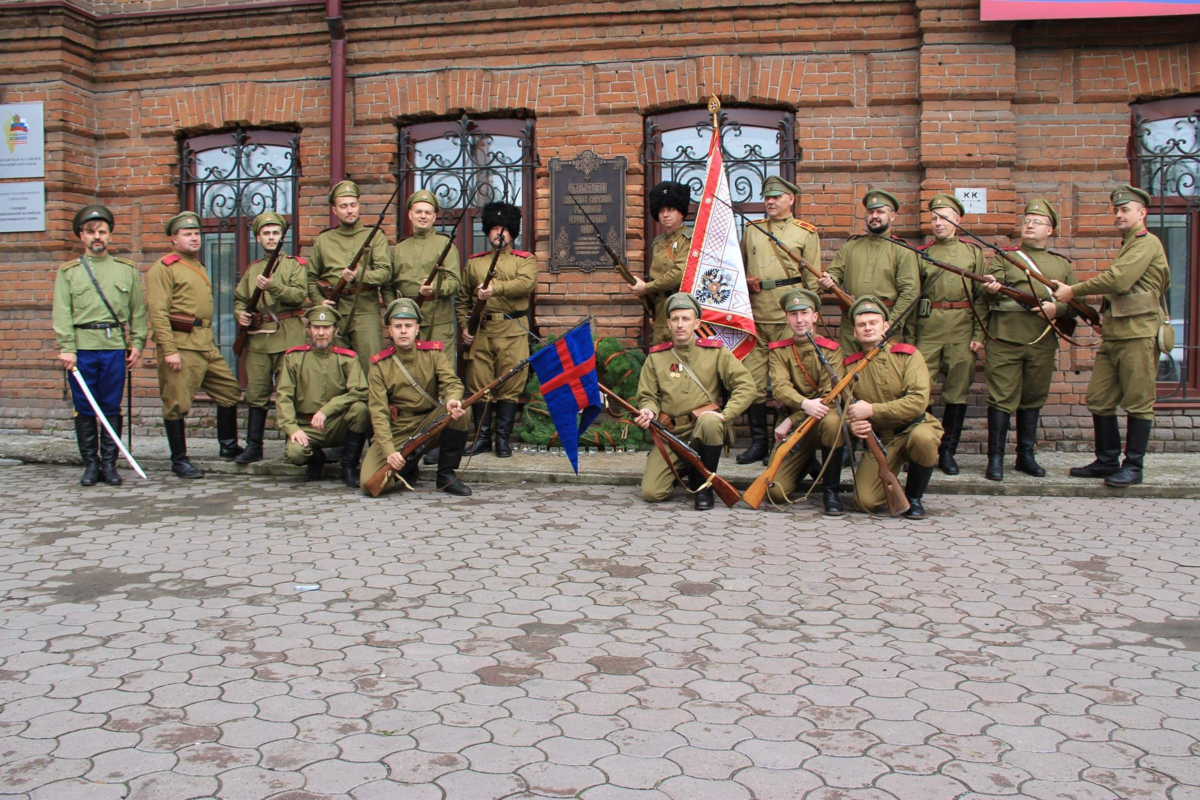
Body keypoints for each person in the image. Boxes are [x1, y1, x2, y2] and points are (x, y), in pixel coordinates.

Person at [1054, 184, 1171, 487]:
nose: (1118, 215)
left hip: (1138, 334)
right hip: (1116, 333)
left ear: (1142, 213)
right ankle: (1107, 460)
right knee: (1099, 399)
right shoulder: (1129, 244)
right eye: (1116, 210)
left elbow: (1119, 280)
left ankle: (1133, 466)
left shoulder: (1146, 243)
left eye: (1125, 210)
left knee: (1138, 401)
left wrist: (1072, 291)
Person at [980, 199, 1075, 482]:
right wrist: (992, 288)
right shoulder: (1004, 257)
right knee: (1000, 398)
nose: (1030, 225)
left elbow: (1074, 301)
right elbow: (985, 293)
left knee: (1033, 396)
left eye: (1037, 222)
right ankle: (995, 459)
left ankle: (1025, 456)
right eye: (1027, 221)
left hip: (1041, 339)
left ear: (1050, 230)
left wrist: (1056, 309)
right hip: (1004, 337)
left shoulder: (1061, 264)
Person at [53, 204, 148, 486]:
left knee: (110, 405)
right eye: (91, 232)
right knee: (84, 406)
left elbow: (138, 312)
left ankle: (109, 464)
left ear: (110, 235)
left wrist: (138, 344)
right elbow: (62, 312)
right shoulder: (69, 272)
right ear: (81, 236)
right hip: (81, 348)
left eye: (103, 232)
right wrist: (66, 347)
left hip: (114, 348)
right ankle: (90, 465)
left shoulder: (126, 271)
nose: (98, 237)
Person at [144, 211, 244, 478]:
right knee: (177, 402)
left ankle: (228, 446)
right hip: (181, 345)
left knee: (229, 391)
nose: (194, 238)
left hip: (204, 343)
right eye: (187, 234)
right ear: (173, 239)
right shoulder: (163, 269)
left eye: (197, 233)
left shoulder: (198, 266)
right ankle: (179, 460)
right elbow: (158, 313)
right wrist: (170, 350)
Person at [634, 292, 755, 510]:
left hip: (704, 428)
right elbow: (647, 396)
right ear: (669, 323)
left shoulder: (715, 352)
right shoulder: (656, 357)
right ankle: (686, 467)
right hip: (671, 434)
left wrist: (725, 415)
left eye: (686, 319)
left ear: (696, 323)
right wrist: (648, 411)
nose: (680, 324)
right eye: (675, 319)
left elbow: (746, 386)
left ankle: (703, 487)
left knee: (709, 422)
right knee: (652, 493)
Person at [737, 175, 822, 466]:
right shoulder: (752, 230)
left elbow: (811, 279)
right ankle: (759, 443)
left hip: (790, 316)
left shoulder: (806, 233)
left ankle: (784, 440)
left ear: (791, 199)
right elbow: (738, 269)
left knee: (790, 380)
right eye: (767, 197)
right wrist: (746, 282)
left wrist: (810, 319)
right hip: (757, 315)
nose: (770, 202)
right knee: (754, 381)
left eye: (776, 197)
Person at [842, 295, 943, 519]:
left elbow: (918, 401)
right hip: (880, 440)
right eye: (862, 325)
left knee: (924, 439)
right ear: (855, 333)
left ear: (886, 326)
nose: (868, 328)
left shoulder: (908, 356)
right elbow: (846, 408)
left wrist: (873, 411)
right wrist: (851, 426)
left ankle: (915, 497)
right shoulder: (850, 367)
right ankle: (892, 482)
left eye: (873, 323)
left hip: (913, 429)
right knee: (865, 502)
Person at [360, 299, 472, 496]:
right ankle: (407, 465)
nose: (403, 330)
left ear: (417, 328)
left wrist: (452, 399)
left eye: (408, 325)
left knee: (462, 409)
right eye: (398, 326)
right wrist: (389, 452)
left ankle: (446, 474)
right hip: (398, 428)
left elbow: (452, 383)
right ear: (390, 330)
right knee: (371, 485)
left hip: (429, 422)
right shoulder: (379, 365)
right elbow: (378, 412)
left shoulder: (434, 354)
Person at [456, 201, 537, 458]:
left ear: (513, 232)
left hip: (513, 330)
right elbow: (462, 300)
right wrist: (463, 326)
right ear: (487, 231)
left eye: (503, 228)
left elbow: (525, 284)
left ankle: (502, 439)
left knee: (510, 383)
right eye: (493, 228)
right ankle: (481, 438)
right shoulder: (475, 263)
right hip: (483, 330)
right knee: (480, 384)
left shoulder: (525, 260)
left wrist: (495, 289)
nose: (498, 233)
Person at [914, 193, 986, 474]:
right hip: (928, 329)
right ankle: (927, 448)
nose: (938, 223)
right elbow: (912, 293)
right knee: (922, 392)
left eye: (943, 217)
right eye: (933, 218)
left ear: (958, 220)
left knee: (957, 392)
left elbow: (981, 297)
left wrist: (978, 332)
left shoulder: (973, 253)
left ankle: (948, 452)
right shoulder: (923, 252)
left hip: (961, 328)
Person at [389, 189, 462, 467]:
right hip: (408, 325)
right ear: (410, 215)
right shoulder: (400, 248)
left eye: (428, 212)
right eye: (418, 211)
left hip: (438, 322)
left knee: (441, 383)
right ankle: (410, 439)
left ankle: (437, 443)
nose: (422, 216)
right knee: (409, 382)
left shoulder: (446, 246)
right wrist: (394, 314)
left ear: (434, 217)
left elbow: (456, 282)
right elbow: (389, 286)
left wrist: (436, 289)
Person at [232, 211, 309, 465]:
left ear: (281, 237)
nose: (271, 237)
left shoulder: (294, 265)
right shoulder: (253, 269)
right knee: (256, 393)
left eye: (275, 233)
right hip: (258, 340)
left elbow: (299, 296)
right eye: (266, 233)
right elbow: (241, 300)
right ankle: (254, 446)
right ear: (258, 237)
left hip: (288, 336)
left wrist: (273, 286)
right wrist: (240, 315)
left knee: (293, 392)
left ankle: (296, 443)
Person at [765, 288, 844, 515]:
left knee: (832, 422)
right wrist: (802, 404)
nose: (799, 320)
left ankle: (831, 492)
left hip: (821, 420)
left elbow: (831, 393)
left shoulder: (832, 350)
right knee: (774, 493)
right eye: (793, 314)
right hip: (797, 424)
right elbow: (780, 387)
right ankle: (806, 463)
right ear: (787, 317)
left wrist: (792, 418)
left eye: (804, 313)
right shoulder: (779, 351)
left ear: (815, 316)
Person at [274, 307, 369, 485]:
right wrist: (292, 428)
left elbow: (360, 390)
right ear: (309, 330)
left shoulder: (347, 359)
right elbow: (283, 396)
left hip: (336, 423)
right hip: (306, 425)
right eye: (316, 328)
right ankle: (316, 460)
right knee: (295, 453)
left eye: (326, 328)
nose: (321, 333)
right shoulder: (294, 358)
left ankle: (348, 467)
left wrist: (326, 411)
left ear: (335, 330)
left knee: (360, 410)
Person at [819, 188, 920, 354]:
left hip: (884, 323)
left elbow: (910, 292)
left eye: (880, 212)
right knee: (848, 369)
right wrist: (827, 281)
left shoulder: (903, 251)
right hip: (852, 322)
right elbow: (834, 274)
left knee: (884, 373)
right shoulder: (851, 246)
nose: (874, 216)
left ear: (892, 216)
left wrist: (890, 324)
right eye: (871, 212)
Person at [307, 180, 393, 371]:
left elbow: (385, 273)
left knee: (371, 367)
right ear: (334, 210)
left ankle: (370, 402)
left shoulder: (374, 235)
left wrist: (358, 276)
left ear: (359, 206)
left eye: (353, 205)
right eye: (343, 206)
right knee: (334, 369)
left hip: (365, 310)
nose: (349, 210)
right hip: (334, 312)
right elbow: (311, 277)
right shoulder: (324, 239)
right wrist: (320, 301)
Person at [634, 181, 691, 344]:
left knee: (682, 360)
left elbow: (678, 274)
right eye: (661, 210)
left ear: (681, 212)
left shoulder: (690, 238)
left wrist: (645, 288)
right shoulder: (658, 243)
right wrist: (653, 312)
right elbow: (655, 276)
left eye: (670, 209)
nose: (665, 214)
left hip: (682, 307)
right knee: (661, 358)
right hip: (660, 310)